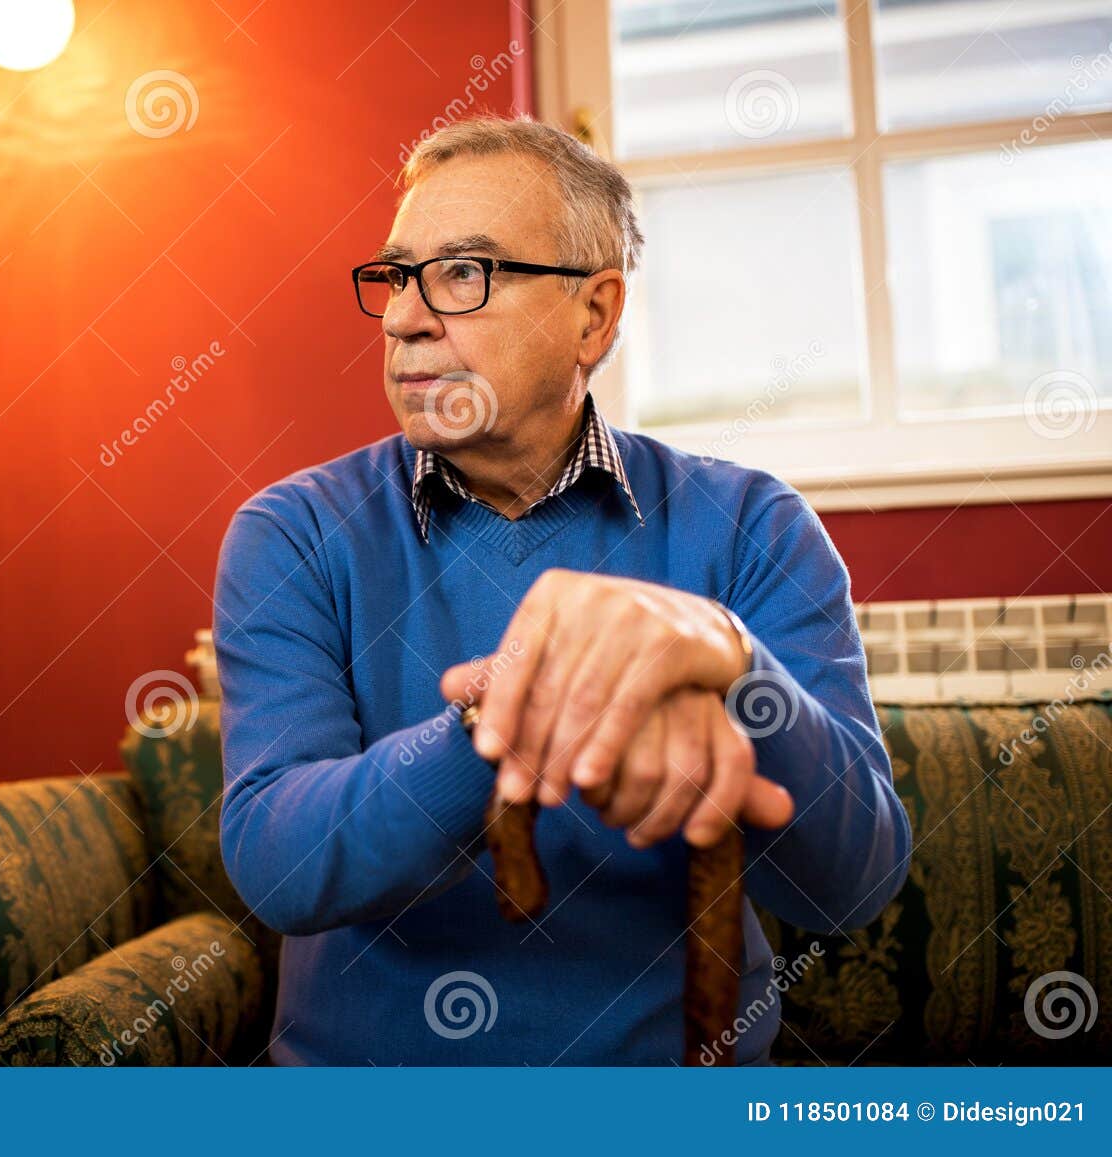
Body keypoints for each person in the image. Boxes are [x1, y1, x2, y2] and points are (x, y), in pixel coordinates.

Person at [211, 114, 909, 1065]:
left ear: (595, 314)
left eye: (464, 273)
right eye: (395, 277)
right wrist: (514, 707)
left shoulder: (752, 524)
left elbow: (854, 887)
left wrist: (738, 670)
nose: (408, 317)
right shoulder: (291, 533)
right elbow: (279, 864)